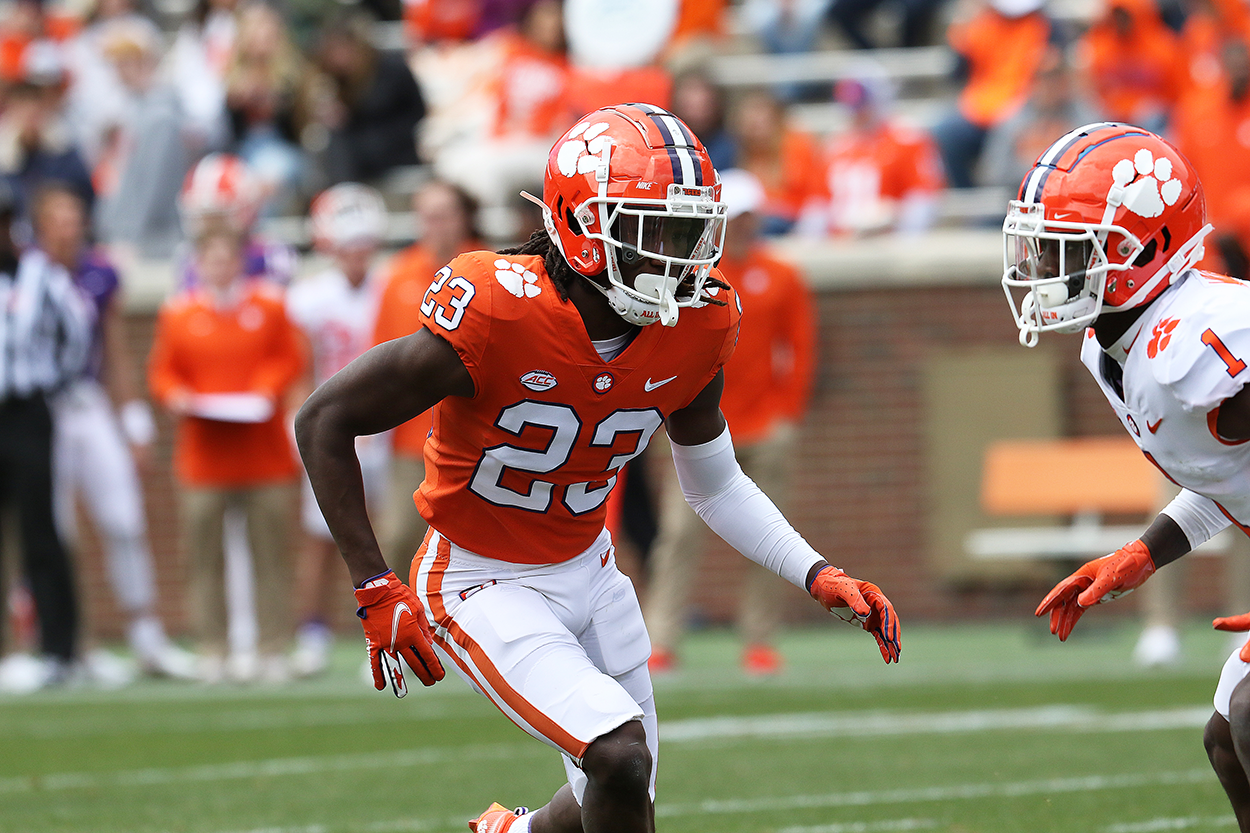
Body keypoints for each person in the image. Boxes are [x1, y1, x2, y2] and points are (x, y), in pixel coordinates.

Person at [295, 103, 899, 832]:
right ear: (581, 226)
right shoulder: (498, 308)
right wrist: (374, 584)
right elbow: (326, 419)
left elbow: (716, 482)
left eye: (690, 231)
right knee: (618, 756)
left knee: (605, 800)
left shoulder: (699, 322)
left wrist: (817, 571)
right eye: (655, 232)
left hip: (593, 570)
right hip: (479, 576)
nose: (679, 258)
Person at [1001, 121, 1250, 831]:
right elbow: (1230, 473)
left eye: (1064, 249)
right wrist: (1141, 554)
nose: (1042, 267)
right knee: (1229, 741)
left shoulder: (1196, 341)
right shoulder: (1114, 345)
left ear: (1140, 250)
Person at [643, 168, 816, 676]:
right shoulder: (695, 276)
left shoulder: (781, 275)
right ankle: (662, 638)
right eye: (733, 217)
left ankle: (760, 639)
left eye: (749, 216)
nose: (742, 226)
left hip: (764, 427)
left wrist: (787, 412)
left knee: (770, 537)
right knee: (678, 534)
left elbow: (800, 349)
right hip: (697, 428)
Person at [35, 181, 195, 680]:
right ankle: (73, 644)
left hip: (89, 404)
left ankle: (146, 637)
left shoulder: (98, 273)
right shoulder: (26, 275)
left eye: (72, 216)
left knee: (124, 519)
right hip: (39, 412)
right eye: (57, 219)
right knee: (55, 532)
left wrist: (133, 420)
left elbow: (114, 351)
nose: (68, 227)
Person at [148, 224, 304, 684]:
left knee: (272, 554)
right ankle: (212, 647)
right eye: (210, 258)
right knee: (202, 557)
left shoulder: (270, 306)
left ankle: (273, 646)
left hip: (263, 453)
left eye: (227, 257)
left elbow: (287, 361)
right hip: (203, 456)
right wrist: (176, 395)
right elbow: (163, 371)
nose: (219, 266)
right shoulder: (178, 313)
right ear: (198, 263)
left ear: (240, 260)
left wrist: (263, 390)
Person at [285, 182, 390, 677]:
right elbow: (301, 368)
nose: (356, 255)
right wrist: (298, 427)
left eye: (363, 244)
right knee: (322, 536)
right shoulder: (309, 297)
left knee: (395, 530)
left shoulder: (391, 286)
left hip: (388, 425)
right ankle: (312, 629)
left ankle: (400, 626)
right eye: (348, 245)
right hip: (333, 430)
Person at [0, 181, 93, 692]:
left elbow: (76, 335)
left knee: (40, 530)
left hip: (28, 412)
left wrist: (52, 386)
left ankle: (59, 648)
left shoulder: (43, 276)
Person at [371, 178, 484, 577]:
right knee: (399, 534)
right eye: (427, 216)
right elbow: (382, 356)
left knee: (476, 539)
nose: (435, 225)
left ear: (463, 217)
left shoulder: (489, 268)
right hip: (412, 433)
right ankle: (399, 628)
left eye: (444, 214)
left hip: (477, 433)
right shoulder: (397, 276)